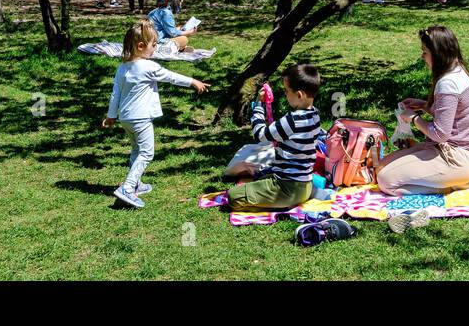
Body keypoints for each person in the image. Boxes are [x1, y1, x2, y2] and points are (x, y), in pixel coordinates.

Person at [101, 19, 208, 208]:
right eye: (154, 44)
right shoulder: (149, 67)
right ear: (141, 46)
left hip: (125, 119)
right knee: (147, 153)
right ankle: (127, 188)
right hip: (141, 118)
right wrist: (193, 81)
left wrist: (111, 117)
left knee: (136, 150)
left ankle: (137, 184)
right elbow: (172, 77)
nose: (155, 48)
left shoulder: (122, 67)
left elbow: (115, 94)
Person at [374, 26, 469, 197]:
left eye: (425, 52)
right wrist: (424, 105)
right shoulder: (458, 69)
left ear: (437, 54)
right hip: (451, 152)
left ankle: (450, 186)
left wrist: (414, 118)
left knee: (386, 180)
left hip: (457, 158)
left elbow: (440, 134)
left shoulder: (448, 83)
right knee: (380, 166)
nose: (422, 56)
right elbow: (453, 115)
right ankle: (453, 180)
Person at [224, 63, 323, 211]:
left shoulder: (292, 120)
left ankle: (275, 206)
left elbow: (260, 134)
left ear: (299, 95)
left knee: (233, 196)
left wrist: (257, 105)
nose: (284, 94)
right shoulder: (314, 115)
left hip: (287, 187)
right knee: (260, 180)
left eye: (286, 91)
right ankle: (281, 200)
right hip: (305, 184)